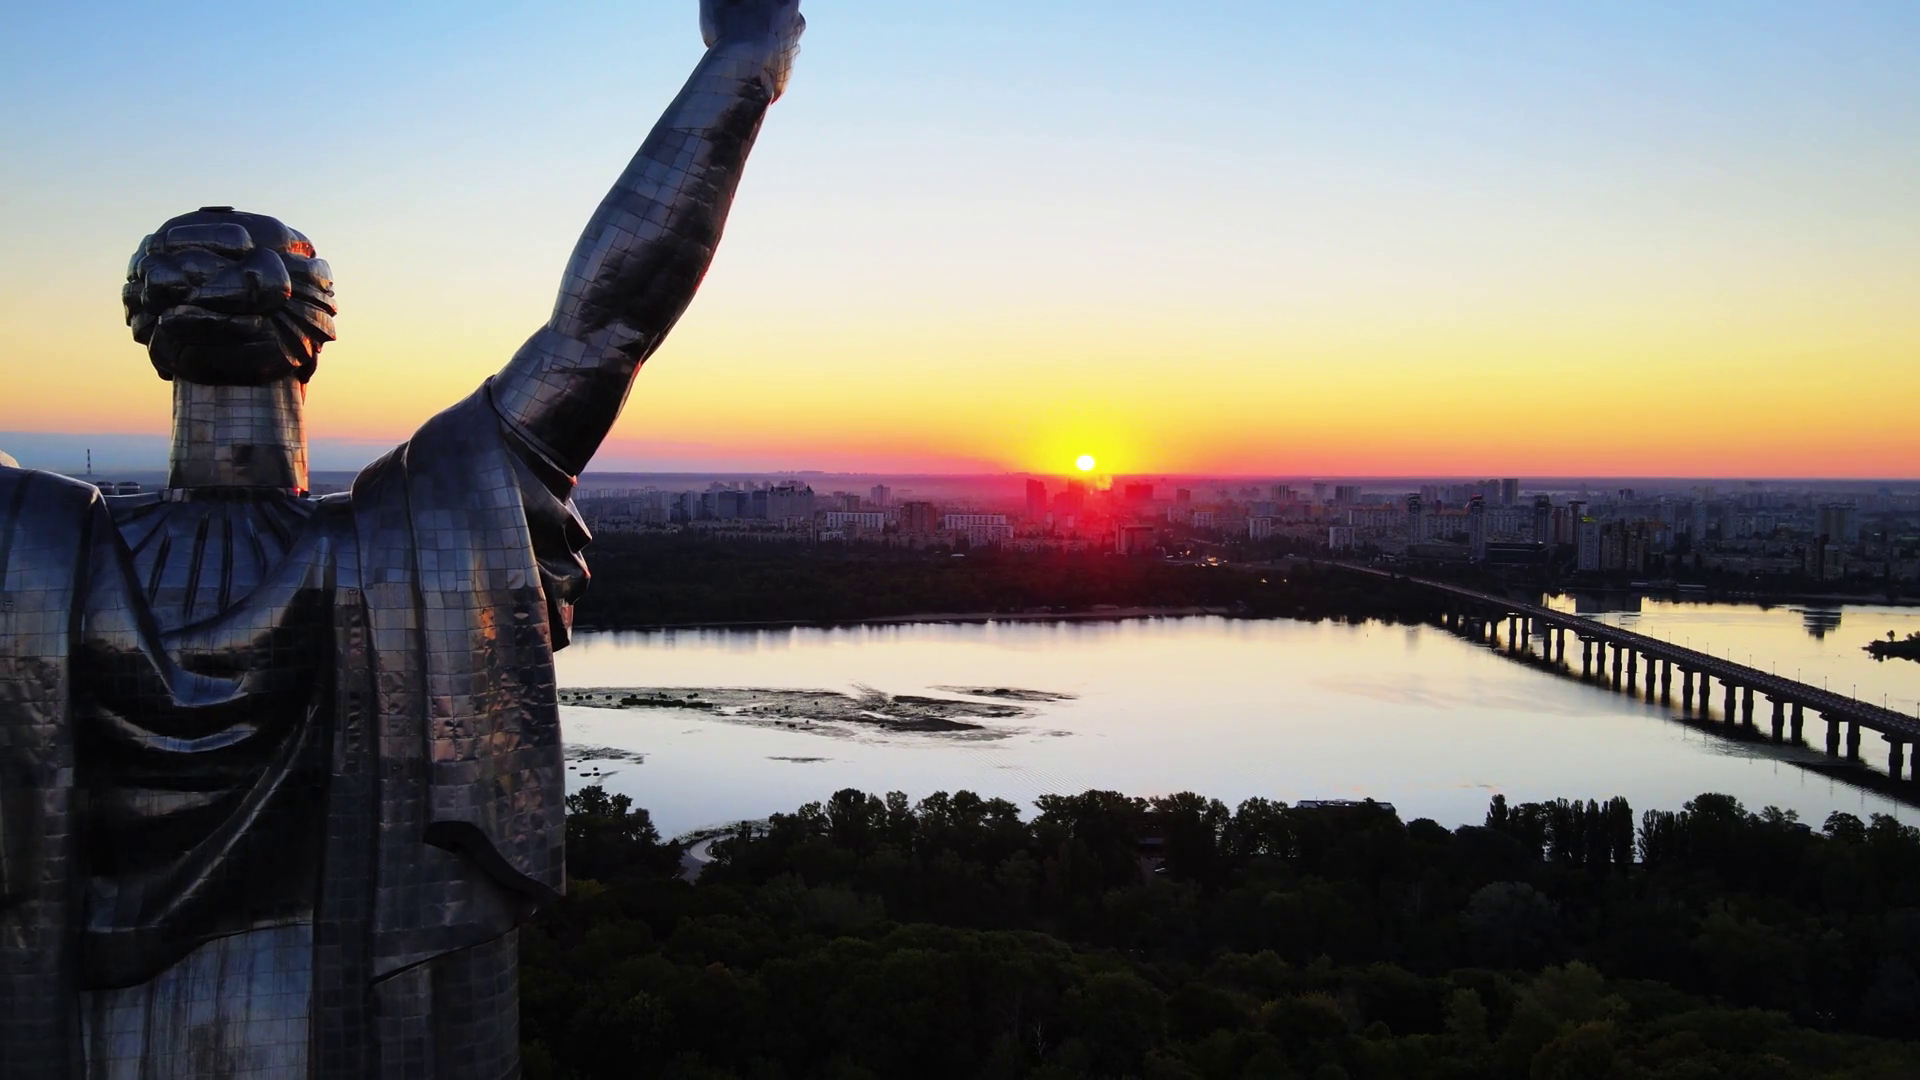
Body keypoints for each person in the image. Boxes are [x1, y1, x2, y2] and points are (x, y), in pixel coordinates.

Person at [0, 2, 804, 1076]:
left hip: (82, 1024)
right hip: (326, 1008)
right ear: (314, 342)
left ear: (151, 337)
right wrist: (745, 70)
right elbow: (605, 324)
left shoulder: (36, 547)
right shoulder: (392, 539)